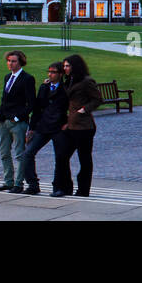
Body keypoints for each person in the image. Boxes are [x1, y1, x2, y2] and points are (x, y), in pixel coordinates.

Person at [51, 54, 102, 198]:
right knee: (62, 156)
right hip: (71, 126)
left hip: (84, 127)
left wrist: (84, 109)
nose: (65, 68)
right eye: (64, 66)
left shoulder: (86, 81)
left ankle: (83, 190)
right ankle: (65, 188)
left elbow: (98, 99)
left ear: (75, 66)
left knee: (84, 159)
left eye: (68, 66)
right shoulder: (69, 80)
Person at [19, 63, 68, 195]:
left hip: (59, 128)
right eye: (49, 71)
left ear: (60, 74)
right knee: (27, 154)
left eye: (53, 72)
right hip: (43, 126)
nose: (50, 74)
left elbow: (71, 107)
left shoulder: (66, 88)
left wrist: (68, 123)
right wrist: (31, 129)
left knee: (60, 158)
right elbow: (37, 109)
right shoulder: (44, 87)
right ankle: (33, 184)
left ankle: (58, 187)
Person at [0, 50, 36, 193]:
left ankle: (19, 183)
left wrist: (17, 118)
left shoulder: (27, 79)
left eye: (13, 61)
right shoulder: (7, 77)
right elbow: (4, 100)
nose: (10, 63)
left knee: (19, 154)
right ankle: (8, 181)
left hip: (18, 122)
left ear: (21, 62)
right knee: (4, 153)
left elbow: (31, 104)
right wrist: (0, 117)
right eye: (9, 61)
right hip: (4, 121)